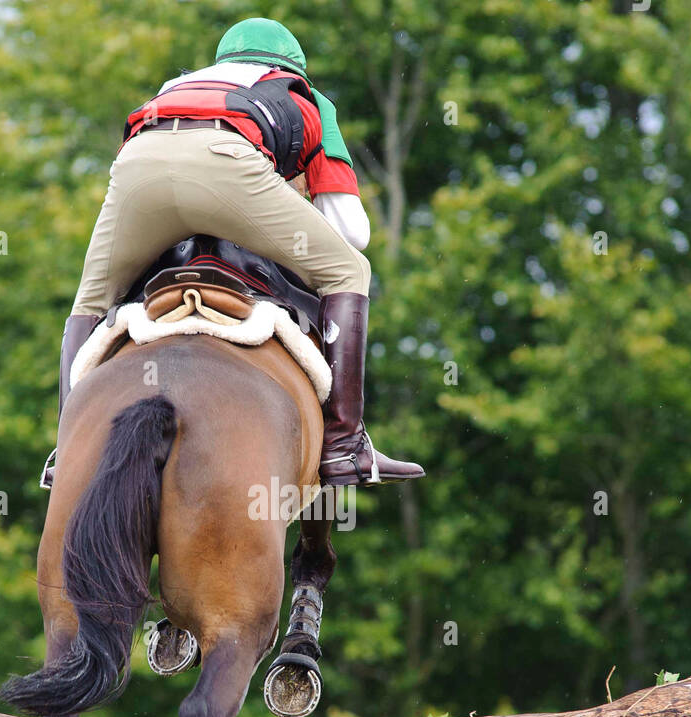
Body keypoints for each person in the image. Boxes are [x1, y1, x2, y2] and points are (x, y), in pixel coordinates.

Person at [45, 17, 424, 489]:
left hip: (137, 167)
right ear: (292, 67)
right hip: (228, 163)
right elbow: (353, 230)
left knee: (91, 301)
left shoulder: (177, 84)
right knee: (350, 270)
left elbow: (160, 161)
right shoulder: (304, 96)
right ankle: (345, 445)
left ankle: (67, 450)